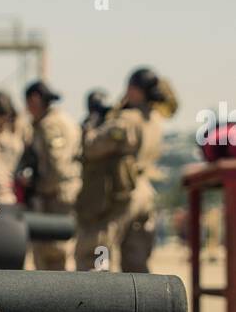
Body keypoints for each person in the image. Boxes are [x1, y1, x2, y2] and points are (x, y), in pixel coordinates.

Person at [75, 67, 178, 272]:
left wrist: (92, 125)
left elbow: (93, 147)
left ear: (136, 90)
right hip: (144, 194)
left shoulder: (128, 120)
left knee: (98, 250)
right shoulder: (155, 119)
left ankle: (97, 296)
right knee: (136, 261)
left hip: (120, 193)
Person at [22, 80, 81, 269]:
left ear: (35, 99)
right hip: (64, 193)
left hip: (57, 196)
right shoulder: (64, 119)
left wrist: (37, 186)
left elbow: (58, 166)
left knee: (54, 252)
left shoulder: (51, 125)